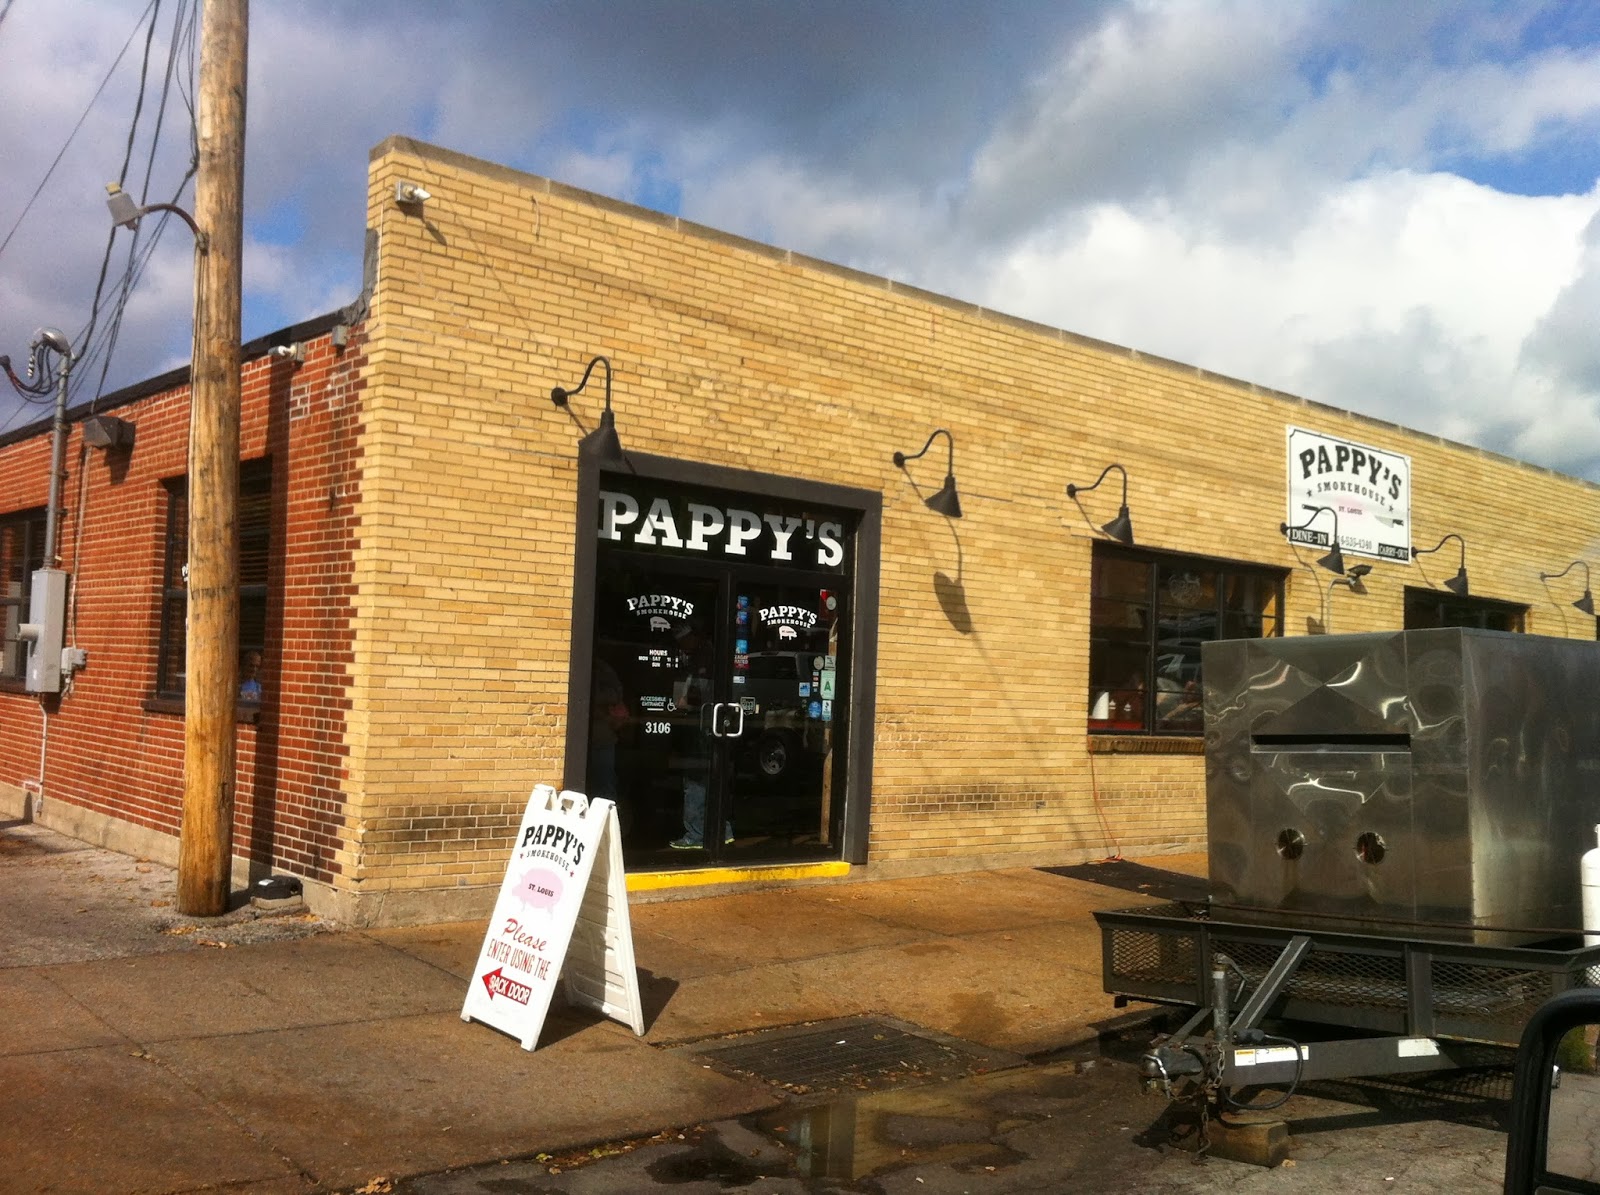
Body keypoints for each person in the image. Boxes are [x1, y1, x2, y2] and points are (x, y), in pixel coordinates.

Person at [669, 624, 731, 849]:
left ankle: (696, 834)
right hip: (706, 724)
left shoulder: (705, 658)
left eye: (683, 641)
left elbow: (699, 693)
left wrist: (685, 702)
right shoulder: (707, 655)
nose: (682, 646)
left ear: (693, 637)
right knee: (709, 779)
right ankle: (722, 830)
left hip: (702, 725)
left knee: (695, 780)